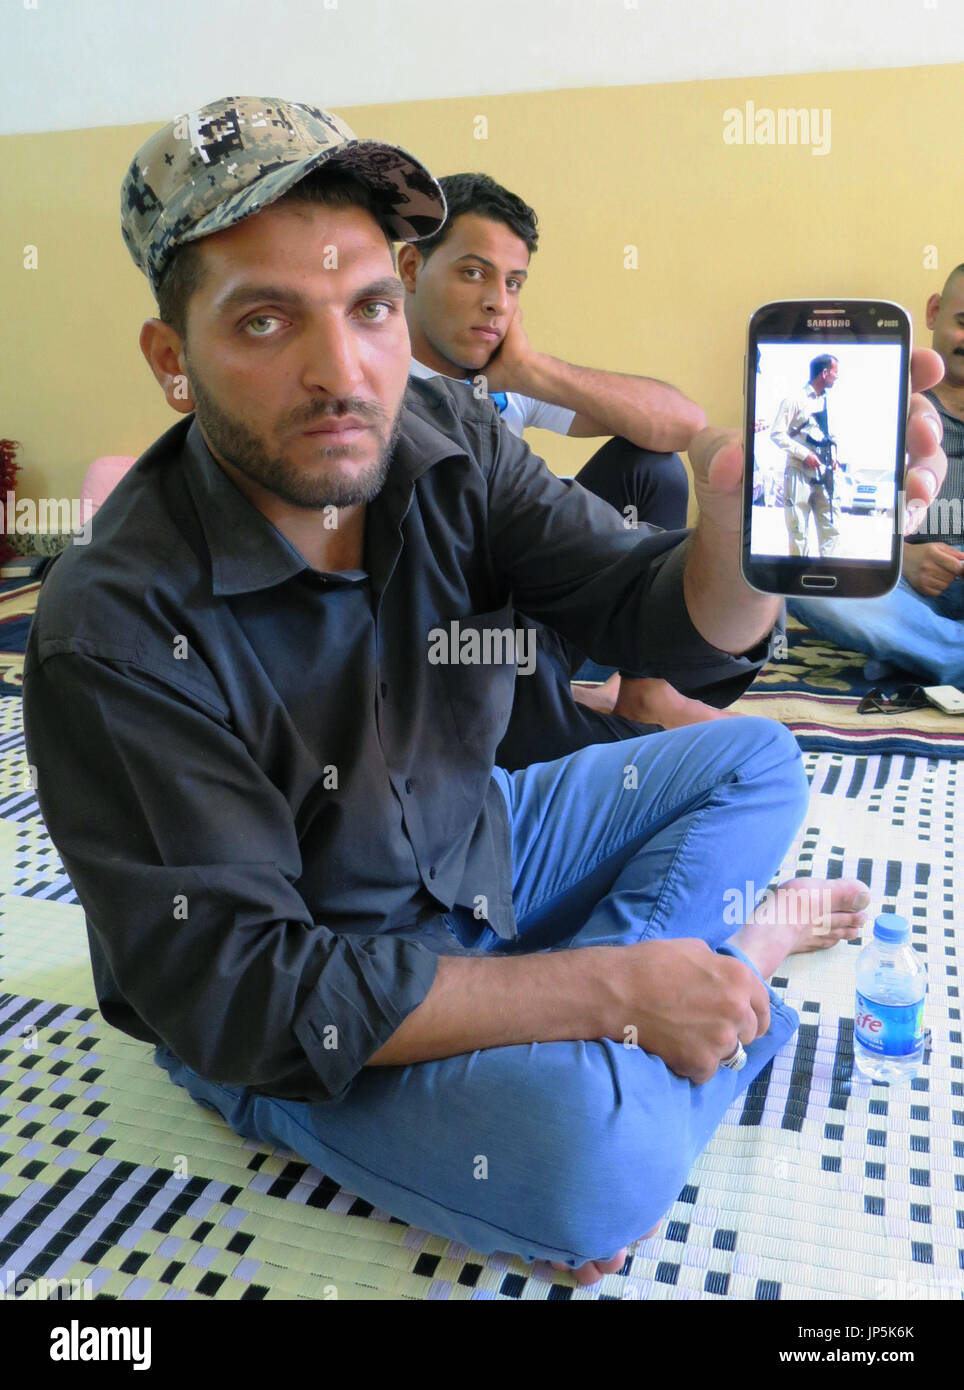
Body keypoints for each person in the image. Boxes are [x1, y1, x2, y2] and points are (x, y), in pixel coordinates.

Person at [23, 97, 944, 1287]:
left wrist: (731, 531)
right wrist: (612, 986)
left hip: (477, 848)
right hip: (300, 986)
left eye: (367, 309)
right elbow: (250, 985)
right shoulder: (114, 627)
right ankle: (730, 965)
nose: (341, 371)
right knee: (588, 1167)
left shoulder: (444, 432)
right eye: (263, 321)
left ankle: (644, 1015)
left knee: (753, 757)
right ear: (173, 366)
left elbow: (640, 608)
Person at [399, 171, 731, 759]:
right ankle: (555, 719)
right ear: (409, 269)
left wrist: (531, 373)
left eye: (514, 282)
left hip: (533, 602)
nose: (497, 301)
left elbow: (683, 424)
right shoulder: (380, 381)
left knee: (648, 467)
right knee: (709, 765)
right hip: (459, 635)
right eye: (472, 272)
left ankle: (643, 691)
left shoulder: (502, 374)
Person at [789, 268, 964, 686]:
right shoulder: (890, 407)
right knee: (799, 575)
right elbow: (835, 521)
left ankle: (919, 655)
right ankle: (941, 654)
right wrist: (902, 563)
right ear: (935, 311)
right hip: (903, 594)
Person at [771, 354, 842, 558]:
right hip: (799, 471)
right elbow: (777, 433)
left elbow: (831, 437)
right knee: (798, 529)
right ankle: (798, 576)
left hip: (824, 472)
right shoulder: (794, 400)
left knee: (831, 526)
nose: (837, 377)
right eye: (835, 372)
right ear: (825, 372)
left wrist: (835, 458)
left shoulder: (828, 404)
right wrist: (804, 454)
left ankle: (829, 572)